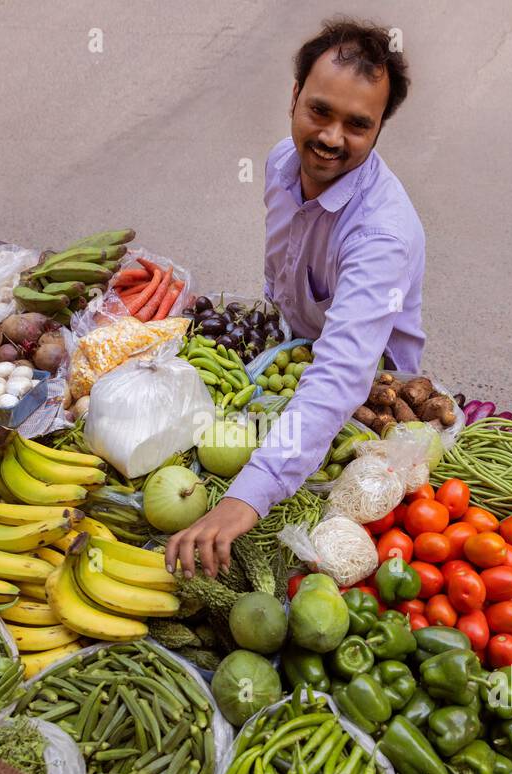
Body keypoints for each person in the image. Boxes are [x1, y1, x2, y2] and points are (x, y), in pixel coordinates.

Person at [167, 17, 425, 577]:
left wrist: (248, 496)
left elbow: (341, 375)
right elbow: (281, 268)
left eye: (358, 124)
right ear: (294, 97)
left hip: (369, 393)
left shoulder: (382, 235)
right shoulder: (282, 162)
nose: (332, 137)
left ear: (380, 128)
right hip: (295, 355)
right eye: (320, 111)